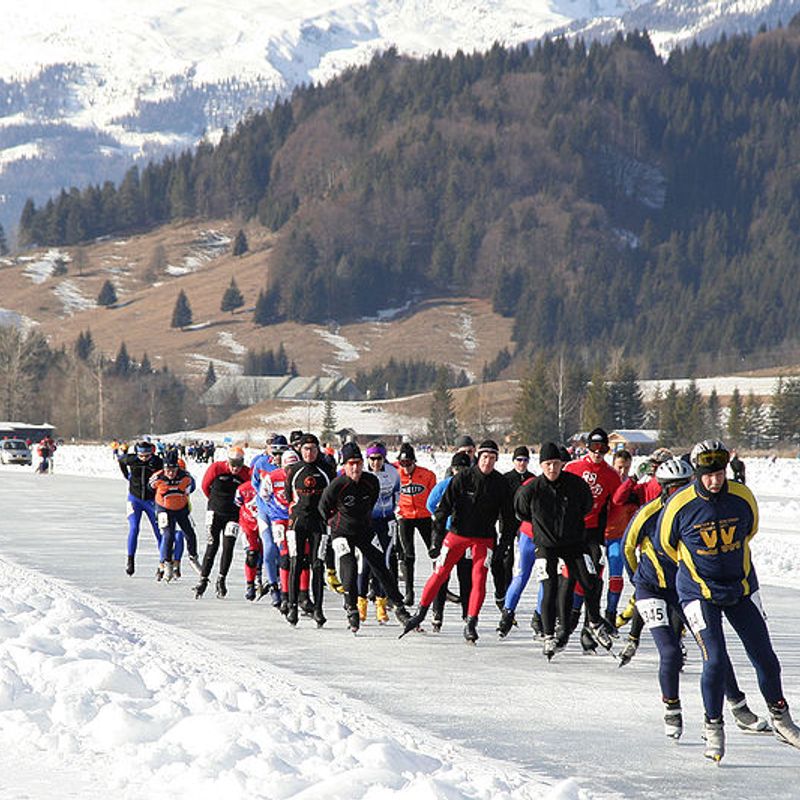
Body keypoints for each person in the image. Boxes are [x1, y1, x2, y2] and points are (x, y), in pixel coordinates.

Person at [659, 439, 800, 761]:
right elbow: (668, 547)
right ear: (697, 474)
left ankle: (782, 719)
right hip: (698, 592)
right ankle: (713, 726)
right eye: (708, 474)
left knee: (764, 655)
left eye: (720, 473)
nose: (715, 480)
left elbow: (750, 531)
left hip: (740, 587)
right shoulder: (679, 505)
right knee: (716, 660)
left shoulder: (742, 496)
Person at [624, 457, 767, 739]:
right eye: (670, 488)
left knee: (714, 651)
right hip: (651, 588)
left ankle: (738, 707)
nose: (677, 493)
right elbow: (628, 547)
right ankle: (672, 709)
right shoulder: (649, 513)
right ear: (662, 489)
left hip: (686, 590)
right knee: (670, 652)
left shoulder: (697, 509)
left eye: (683, 486)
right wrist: (636, 580)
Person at [400, 440, 515, 643]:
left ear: (497, 460)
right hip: (457, 534)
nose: (488, 462)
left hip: (484, 538)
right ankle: (421, 612)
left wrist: (504, 545)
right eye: (485, 457)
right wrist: (436, 541)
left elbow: (507, 517)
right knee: (440, 572)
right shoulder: (463, 477)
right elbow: (442, 508)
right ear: (478, 458)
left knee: (479, 578)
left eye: (492, 458)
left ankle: (471, 622)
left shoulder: (500, 483)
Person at [512, 442, 613, 658]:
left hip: (574, 542)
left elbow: (587, 506)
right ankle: (549, 635)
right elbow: (521, 512)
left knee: (591, 580)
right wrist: (543, 529)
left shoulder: (576, 485)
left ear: (561, 465)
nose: (552, 469)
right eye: (548, 464)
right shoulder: (531, 489)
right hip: (546, 545)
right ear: (541, 465)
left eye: (556, 464)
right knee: (549, 587)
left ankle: (595, 622)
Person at [319, 442, 411, 632]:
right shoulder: (338, 484)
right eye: (351, 463)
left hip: (364, 530)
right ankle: (352, 608)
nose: (355, 468)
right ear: (344, 466)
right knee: (349, 565)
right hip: (341, 532)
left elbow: (371, 502)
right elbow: (323, 508)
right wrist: (335, 524)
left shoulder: (371, 481)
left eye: (359, 463)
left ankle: (399, 606)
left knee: (380, 564)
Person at [562, 427, 621, 647]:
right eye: (594, 448)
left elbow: (616, 506)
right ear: (587, 448)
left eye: (603, 449)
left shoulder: (611, 475)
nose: (598, 452)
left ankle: (588, 626)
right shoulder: (573, 467)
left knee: (594, 578)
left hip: (594, 532)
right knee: (570, 576)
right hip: (571, 530)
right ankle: (565, 620)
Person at [283, 433, 336, 626]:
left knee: (317, 565)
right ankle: (292, 607)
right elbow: (288, 495)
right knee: (296, 563)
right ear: (300, 450)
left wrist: (329, 516)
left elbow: (333, 495)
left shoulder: (326, 470)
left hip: (319, 524)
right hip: (297, 523)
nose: (309, 453)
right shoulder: (294, 470)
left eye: (313, 449)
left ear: (317, 450)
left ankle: (318, 610)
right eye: (305, 449)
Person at [425, 451, 474, 630]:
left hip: (466, 535)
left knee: (466, 576)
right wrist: (442, 518)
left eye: (464, 468)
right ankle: (437, 613)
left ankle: (467, 613)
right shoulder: (445, 484)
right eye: (457, 468)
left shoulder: (473, 485)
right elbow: (430, 503)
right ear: (452, 469)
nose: (460, 472)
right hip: (446, 534)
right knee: (441, 575)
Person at [194, 445, 251, 599]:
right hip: (215, 513)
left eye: (239, 466)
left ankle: (221, 579)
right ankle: (203, 579)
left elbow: (250, 491)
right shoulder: (216, 468)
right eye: (233, 465)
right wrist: (215, 502)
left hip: (233, 515)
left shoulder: (246, 472)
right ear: (228, 461)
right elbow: (205, 487)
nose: (235, 469)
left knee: (228, 546)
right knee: (212, 546)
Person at [357, 442, 401, 624]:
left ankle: (381, 604)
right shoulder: (361, 474)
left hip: (386, 521)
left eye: (379, 459)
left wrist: (393, 512)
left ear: (384, 458)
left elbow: (397, 493)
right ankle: (361, 603)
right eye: (372, 459)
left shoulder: (392, 472)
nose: (375, 462)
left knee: (384, 563)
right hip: (366, 522)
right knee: (365, 563)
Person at [394, 443, 437, 606]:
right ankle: (409, 591)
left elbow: (435, 496)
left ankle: (439, 588)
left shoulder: (427, 475)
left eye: (408, 464)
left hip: (424, 516)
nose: (405, 468)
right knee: (408, 555)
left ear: (414, 462)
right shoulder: (396, 475)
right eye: (402, 464)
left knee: (434, 552)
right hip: (405, 517)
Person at [493, 445, 534, 610]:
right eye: (519, 460)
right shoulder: (506, 479)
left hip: (525, 524)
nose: (522, 463)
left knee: (524, 560)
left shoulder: (532, 479)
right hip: (508, 522)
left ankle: (513, 593)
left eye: (525, 460)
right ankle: (505, 592)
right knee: (506, 559)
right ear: (513, 461)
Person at [148, 449, 199, 581]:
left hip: (181, 508)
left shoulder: (185, 476)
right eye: (168, 470)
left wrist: (188, 489)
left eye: (173, 470)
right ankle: (167, 564)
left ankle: (193, 558)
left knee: (190, 534)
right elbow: (149, 488)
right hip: (164, 509)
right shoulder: (158, 477)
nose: (170, 473)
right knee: (168, 535)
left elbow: (192, 486)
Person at [117, 441, 163, 576]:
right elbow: (121, 461)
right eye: (141, 456)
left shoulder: (157, 462)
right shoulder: (131, 459)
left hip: (151, 500)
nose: (144, 459)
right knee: (134, 528)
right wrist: (127, 476)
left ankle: (162, 563)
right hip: (134, 499)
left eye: (147, 456)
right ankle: (130, 560)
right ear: (137, 453)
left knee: (159, 531)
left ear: (152, 453)